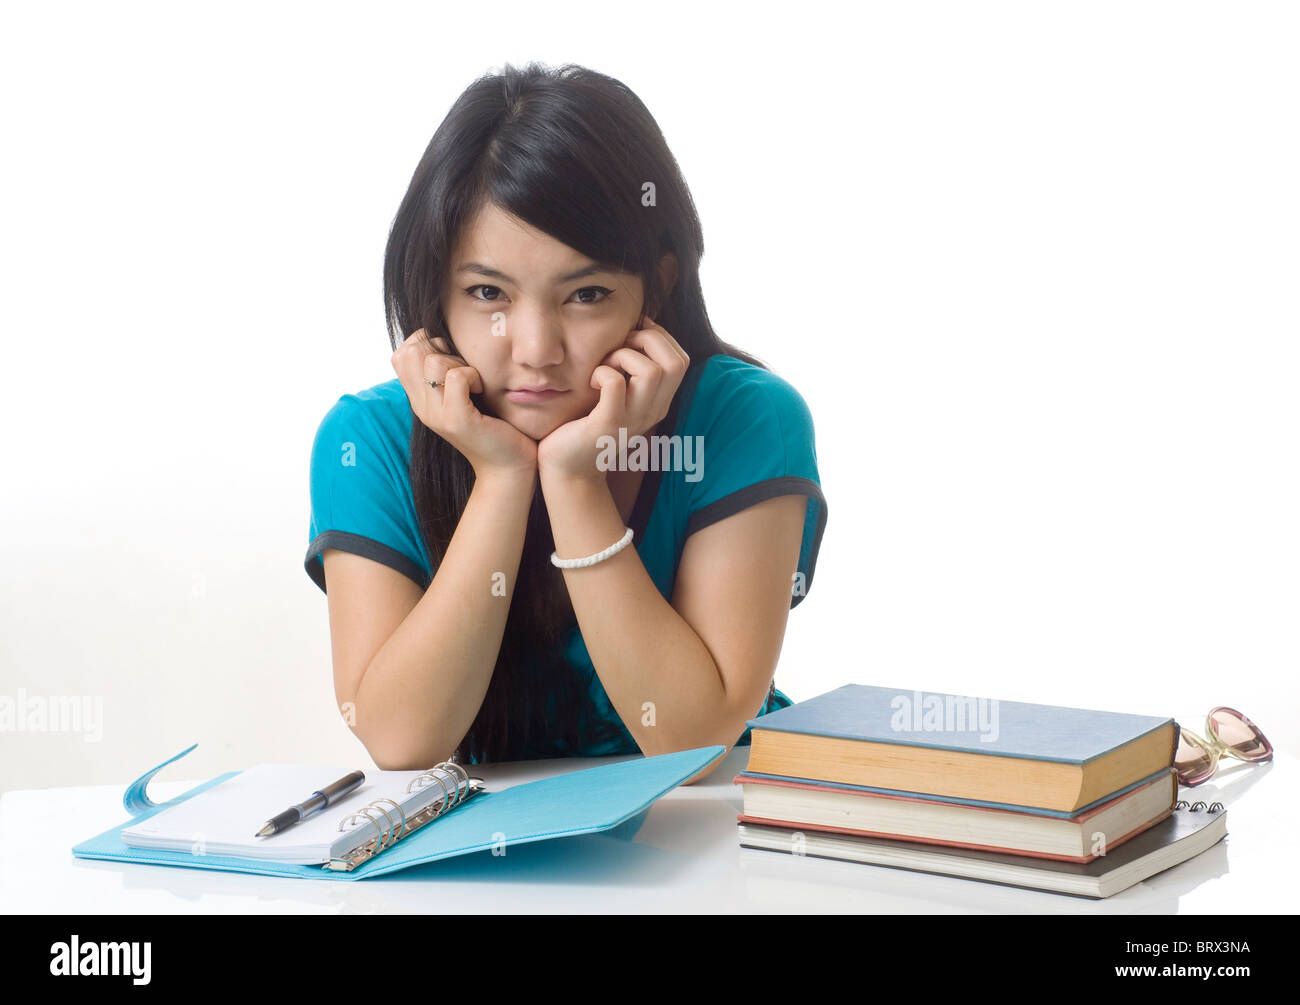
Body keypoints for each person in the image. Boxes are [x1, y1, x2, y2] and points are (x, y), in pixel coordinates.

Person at [305, 62, 827, 782]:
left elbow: (694, 742)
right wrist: (501, 476)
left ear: (658, 285)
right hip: (500, 867)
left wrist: (575, 481)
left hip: (720, 836)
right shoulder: (370, 441)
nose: (536, 349)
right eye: (489, 291)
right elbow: (399, 737)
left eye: (585, 293)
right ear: (436, 289)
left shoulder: (744, 420)